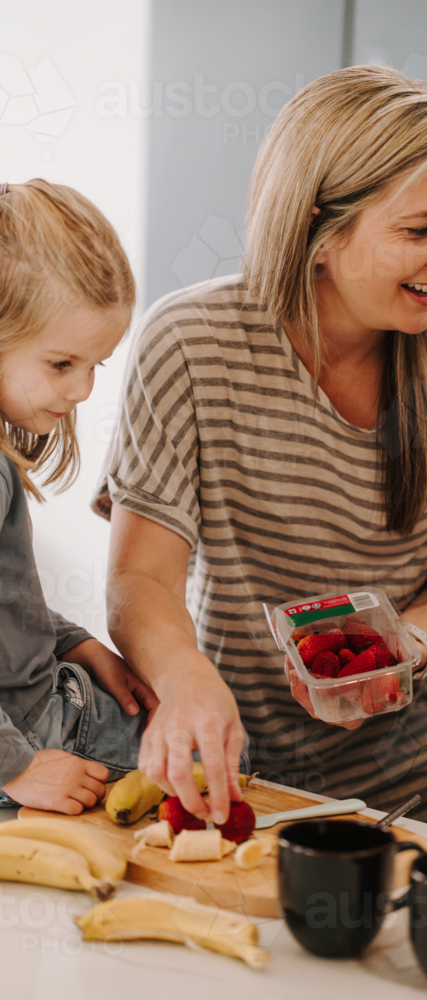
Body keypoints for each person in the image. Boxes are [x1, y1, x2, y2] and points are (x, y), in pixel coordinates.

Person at [96, 66, 427, 833]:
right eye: (420, 228)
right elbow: (140, 578)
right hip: (244, 784)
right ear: (317, 233)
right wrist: (187, 678)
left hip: (423, 800)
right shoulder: (191, 345)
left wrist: (403, 648)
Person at [0, 179, 158, 814]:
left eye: (97, 363)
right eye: (62, 364)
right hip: (30, 731)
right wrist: (17, 768)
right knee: (221, 756)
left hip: (33, 701)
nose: (85, 389)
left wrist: (75, 643)